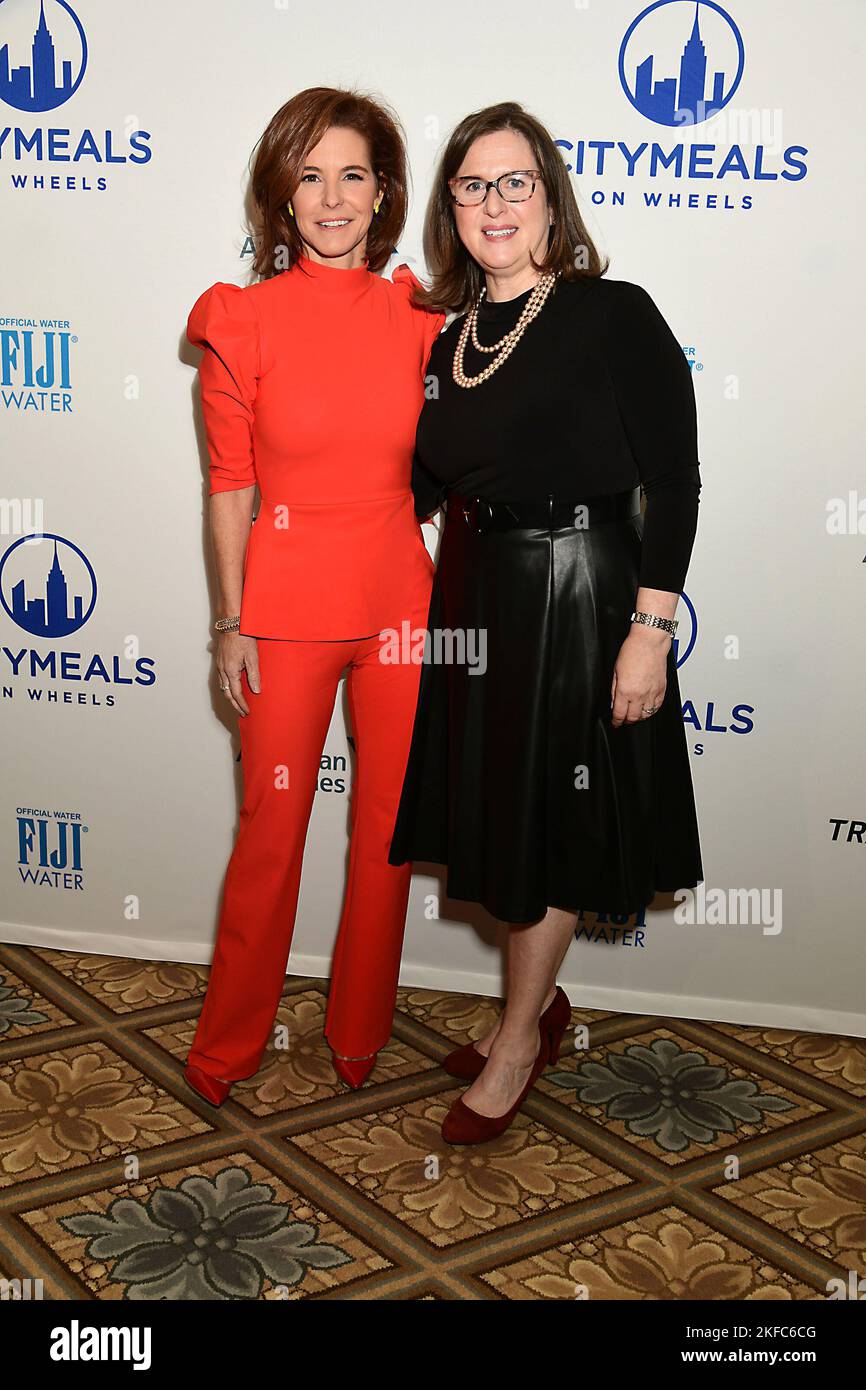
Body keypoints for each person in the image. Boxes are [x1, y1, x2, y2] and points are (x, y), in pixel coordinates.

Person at [388, 101, 704, 1144]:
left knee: (548, 829)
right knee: (497, 823)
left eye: (514, 181)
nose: (494, 203)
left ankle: (518, 1036)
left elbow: (674, 479)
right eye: (472, 185)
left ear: (549, 198)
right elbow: (419, 486)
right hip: (477, 594)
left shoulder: (611, 314)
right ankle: (534, 1004)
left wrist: (648, 630)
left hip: (581, 590)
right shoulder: (447, 340)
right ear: (449, 205)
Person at [182, 87, 444, 1107]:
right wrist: (228, 621)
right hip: (281, 618)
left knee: (384, 831)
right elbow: (230, 487)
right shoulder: (238, 321)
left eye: (353, 174)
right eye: (310, 175)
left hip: (401, 613)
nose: (332, 197)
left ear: (382, 194)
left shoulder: (420, 315)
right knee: (271, 832)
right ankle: (229, 1042)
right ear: (279, 197)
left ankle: (358, 1028)